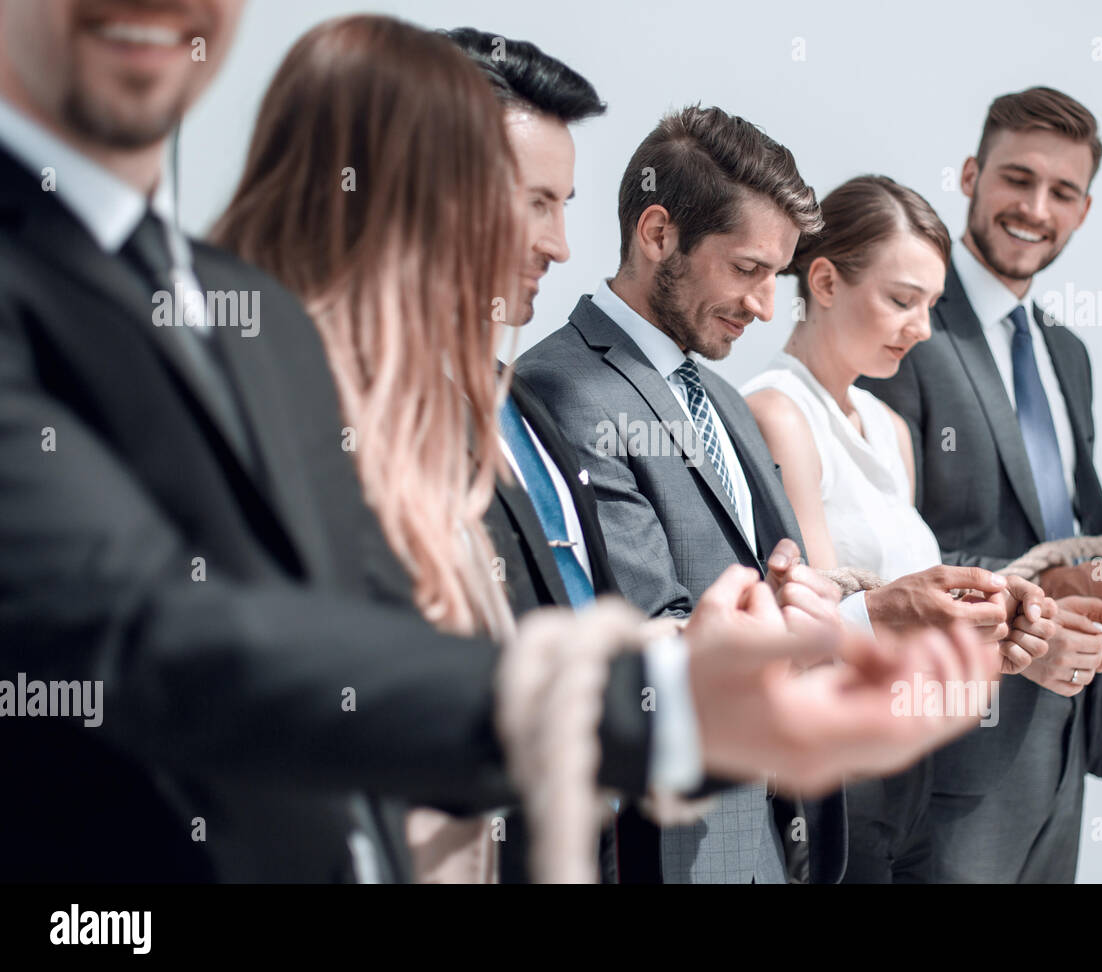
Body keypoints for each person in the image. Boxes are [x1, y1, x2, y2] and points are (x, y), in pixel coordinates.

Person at [0, 0, 993, 883]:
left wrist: (758, 649)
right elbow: (188, 642)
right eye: (528, 200)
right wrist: (670, 694)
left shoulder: (265, 329)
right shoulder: (342, 371)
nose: (556, 243)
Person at [518, 105, 1016, 883]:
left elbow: (796, 599)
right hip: (673, 852)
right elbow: (655, 641)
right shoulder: (566, 389)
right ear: (657, 235)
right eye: (747, 269)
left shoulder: (722, 401)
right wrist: (872, 614)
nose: (761, 305)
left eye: (772, 278)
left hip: (776, 848)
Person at [860, 87, 1102, 882]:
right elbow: (875, 549)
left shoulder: (1067, 356)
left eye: (1061, 192)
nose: (1034, 208)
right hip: (950, 753)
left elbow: (1074, 526)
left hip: (1065, 740)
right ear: (970, 175)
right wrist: (1046, 583)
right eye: (1016, 179)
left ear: (1084, 211)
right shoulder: (906, 330)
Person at [743, 174, 1102, 882]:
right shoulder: (776, 415)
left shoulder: (889, 431)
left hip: (914, 779)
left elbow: (912, 613)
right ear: (824, 281)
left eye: (929, 304)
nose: (921, 329)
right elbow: (820, 638)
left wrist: (1027, 630)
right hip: (835, 786)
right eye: (901, 300)